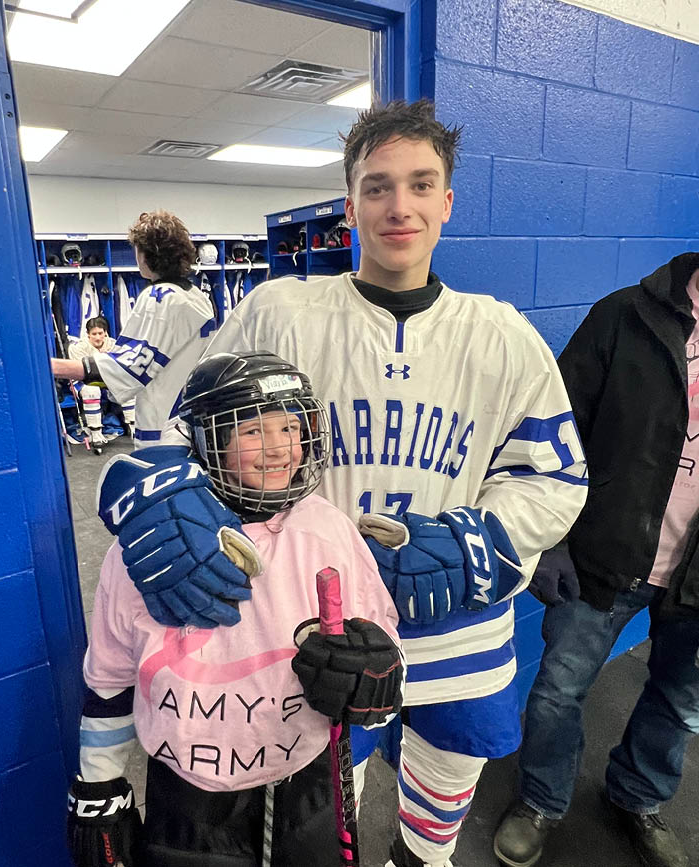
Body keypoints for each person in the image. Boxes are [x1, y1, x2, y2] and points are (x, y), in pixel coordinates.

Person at [96, 99, 588, 867]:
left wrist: (479, 543)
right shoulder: (279, 310)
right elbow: (177, 430)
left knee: (433, 836)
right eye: (379, 185)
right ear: (350, 202)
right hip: (310, 643)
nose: (401, 205)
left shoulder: (504, 333)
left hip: (458, 638)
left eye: (422, 185)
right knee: (325, 825)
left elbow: (554, 475)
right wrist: (150, 496)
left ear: (447, 201)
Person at [66, 350, 403, 867]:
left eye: (291, 427)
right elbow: (111, 678)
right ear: (205, 440)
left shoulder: (326, 527)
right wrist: (99, 782)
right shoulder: (149, 549)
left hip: (307, 780)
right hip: (189, 800)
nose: (279, 448)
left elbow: (378, 640)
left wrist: (372, 674)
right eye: (251, 431)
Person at [494, 252, 699, 867]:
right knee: (559, 690)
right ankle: (540, 800)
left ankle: (638, 797)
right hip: (606, 554)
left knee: (680, 700)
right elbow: (552, 433)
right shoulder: (625, 317)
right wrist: (551, 541)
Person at [52, 210, 215, 445]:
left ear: (148, 254)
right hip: (190, 420)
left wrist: (50, 366)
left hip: (164, 428)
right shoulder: (196, 295)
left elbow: (124, 371)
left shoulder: (161, 297)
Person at [64, 316, 135, 452]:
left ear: (105, 333)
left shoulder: (114, 345)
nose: (97, 337)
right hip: (85, 381)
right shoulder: (78, 347)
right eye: (94, 334)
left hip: (109, 379)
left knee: (129, 388)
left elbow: (121, 369)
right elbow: (84, 372)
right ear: (88, 334)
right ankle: (96, 433)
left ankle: (133, 428)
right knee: (92, 391)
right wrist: (103, 360)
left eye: (100, 333)